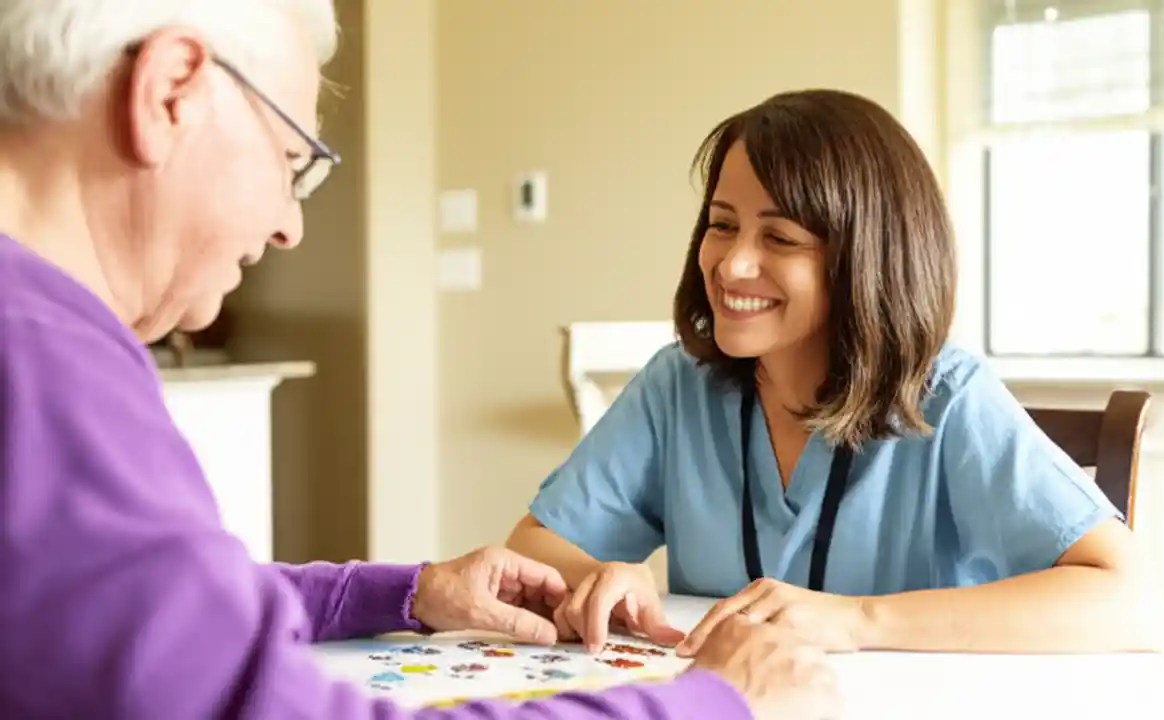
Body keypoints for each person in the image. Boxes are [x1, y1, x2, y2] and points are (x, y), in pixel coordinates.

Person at [0, 2, 841, 718]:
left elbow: (147, 629)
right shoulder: (47, 375)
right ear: (170, 92)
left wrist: (406, 592)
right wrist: (707, 698)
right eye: (292, 160)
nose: (291, 224)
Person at [507, 89, 1164, 657]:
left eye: (780, 238)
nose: (732, 266)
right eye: (721, 225)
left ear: (866, 256)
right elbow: (535, 547)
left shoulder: (948, 394)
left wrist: (858, 621)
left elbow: (1131, 599)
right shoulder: (677, 386)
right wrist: (602, 575)